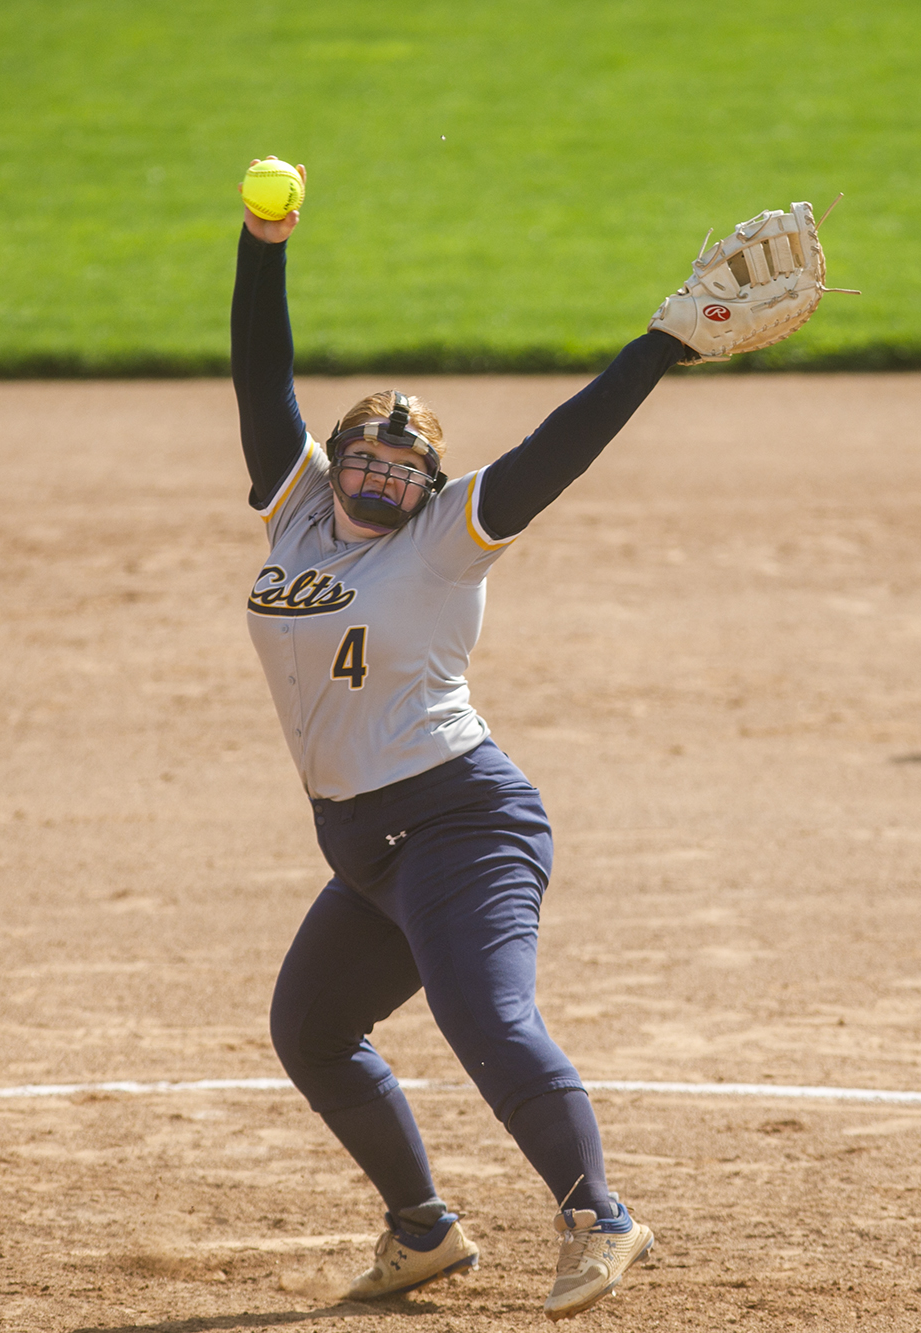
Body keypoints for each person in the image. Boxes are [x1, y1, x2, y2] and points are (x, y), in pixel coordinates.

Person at [229, 164, 695, 1319]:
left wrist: (660, 347)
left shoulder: (446, 536)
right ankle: (423, 1231)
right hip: (367, 842)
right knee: (312, 1028)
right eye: (365, 457)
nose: (383, 472)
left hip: (458, 818)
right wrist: (262, 243)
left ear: (429, 483)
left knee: (485, 1017)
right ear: (334, 459)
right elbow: (259, 373)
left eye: (405, 464)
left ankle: (601, 1215)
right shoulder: (294, 507)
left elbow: (559, 446)